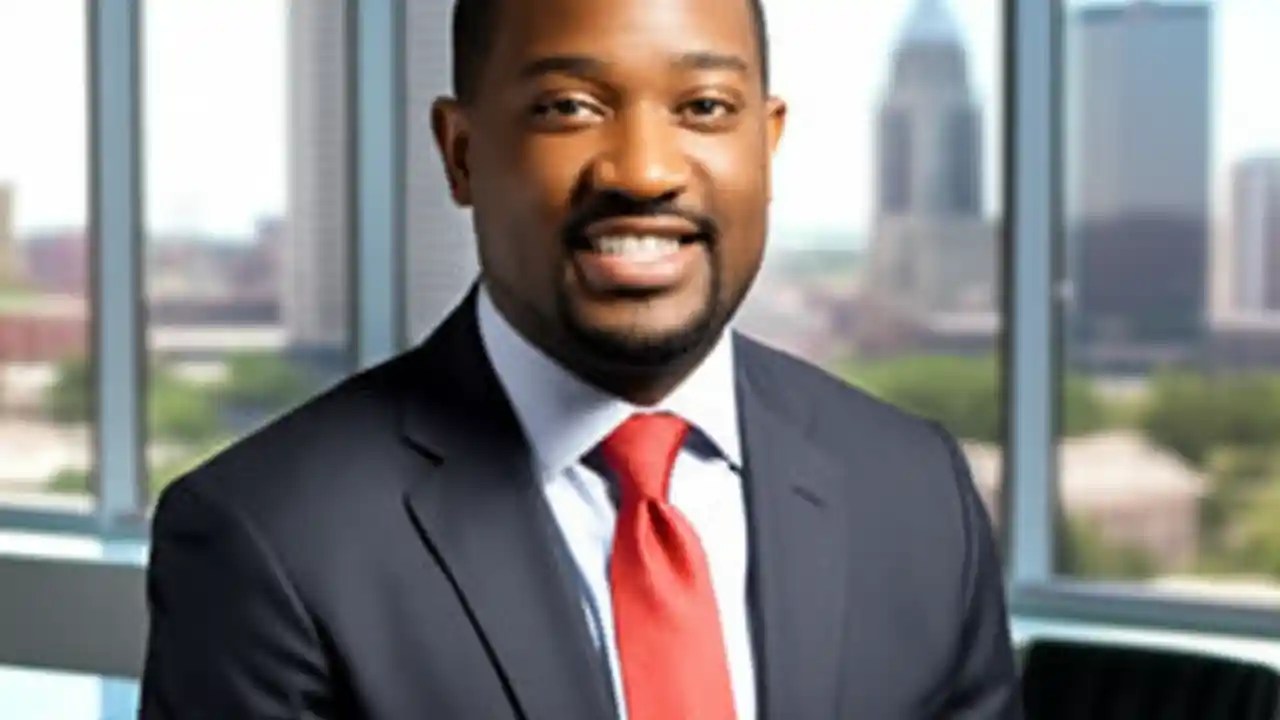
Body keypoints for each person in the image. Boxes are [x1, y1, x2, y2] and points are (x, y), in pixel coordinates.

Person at [139, 0, 1023, 717]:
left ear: (768, 140)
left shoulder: (917, 491)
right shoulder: (268, 538)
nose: (643, 171)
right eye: (569, 107)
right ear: (461, 153)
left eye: (704, 108)